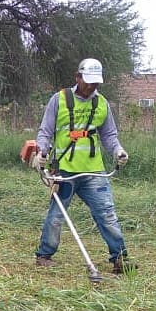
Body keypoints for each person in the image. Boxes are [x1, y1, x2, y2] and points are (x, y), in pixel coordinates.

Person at [32, 58, 135, 275]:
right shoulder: (58, 100)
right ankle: (44, 255)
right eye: (87, 82)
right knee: (57, 215)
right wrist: (41, 152)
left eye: (95, 83)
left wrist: (118, 151)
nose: (91, 87)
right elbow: (45, 132)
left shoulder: (101, 104)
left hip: (93, 171)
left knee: (106, 213)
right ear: (77, 77)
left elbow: (109, 136)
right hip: (65, 171)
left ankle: (119, 259)